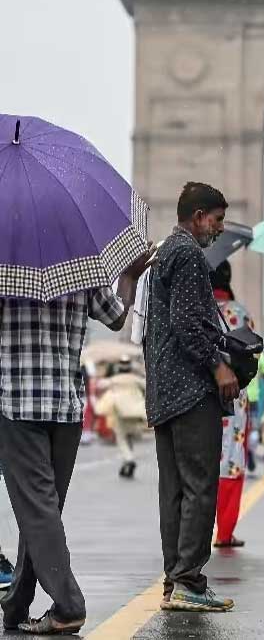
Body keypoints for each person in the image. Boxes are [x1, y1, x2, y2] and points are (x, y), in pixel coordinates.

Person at [0, 252, 151, 635]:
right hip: (65, 410)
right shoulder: (80, 265)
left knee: (38, 512)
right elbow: (117, 316)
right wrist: (130, 276)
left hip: (17, 405)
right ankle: (17, 601)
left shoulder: (5, 266)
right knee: (44, 511)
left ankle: (69, 605)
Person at [145, 182, 239, 614]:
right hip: (189, 389)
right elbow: (187, 322)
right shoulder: (187, 254)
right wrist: (219, 364)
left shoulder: (165, 251)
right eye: (217, 220)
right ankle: (188, 580)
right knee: (200, 488)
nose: (219, 230)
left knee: (175, 491)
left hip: (165, 390)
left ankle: (175, 580)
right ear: (199, 215)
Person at [210, 261, 253, 549]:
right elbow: (252, 356)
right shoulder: (239, 313)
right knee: (231, 462)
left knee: (206, 462)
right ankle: (225, 532)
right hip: (235, 397)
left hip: (204, 394)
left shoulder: (199, 308)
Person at [97, 355, 146, 478]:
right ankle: (127, 461)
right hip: (136, 412)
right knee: (129, 436)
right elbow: (148, 387)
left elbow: (100, 385)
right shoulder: (136, 379)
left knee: (122, 438)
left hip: (121, 413)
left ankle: (129, 459)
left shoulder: (115, 380)